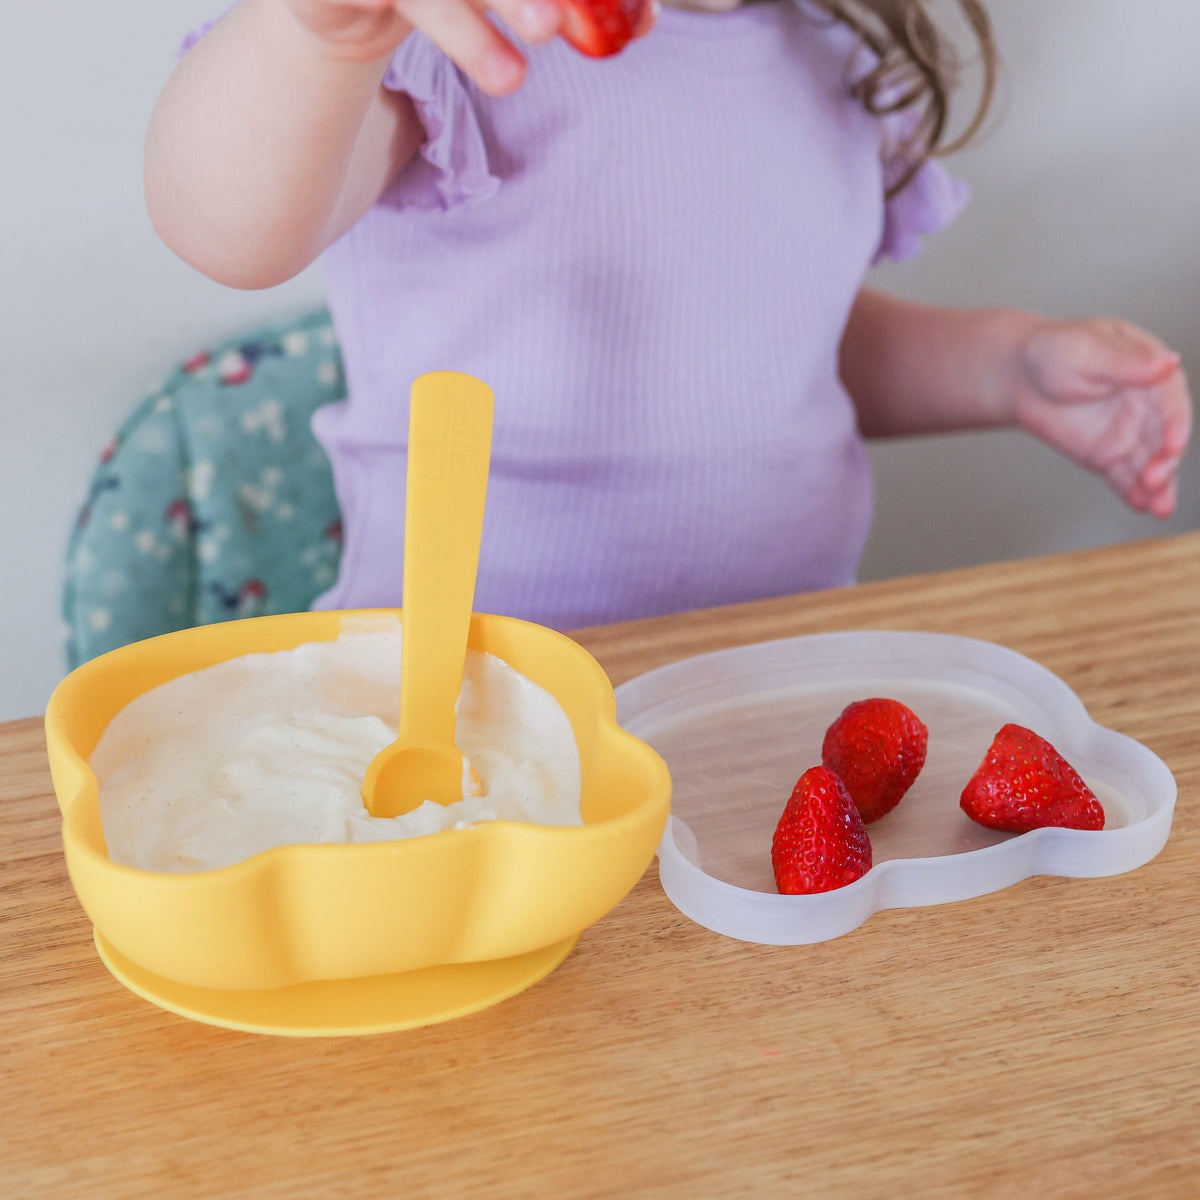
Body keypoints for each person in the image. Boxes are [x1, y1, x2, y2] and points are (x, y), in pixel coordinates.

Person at [144, 0, 1192, 630]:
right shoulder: (451, 40)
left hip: (764, 687)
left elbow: (783, 341)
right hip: (459, 708)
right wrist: (315, 35)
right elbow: (230, 231)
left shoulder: (834, 62)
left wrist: (1009, 366)